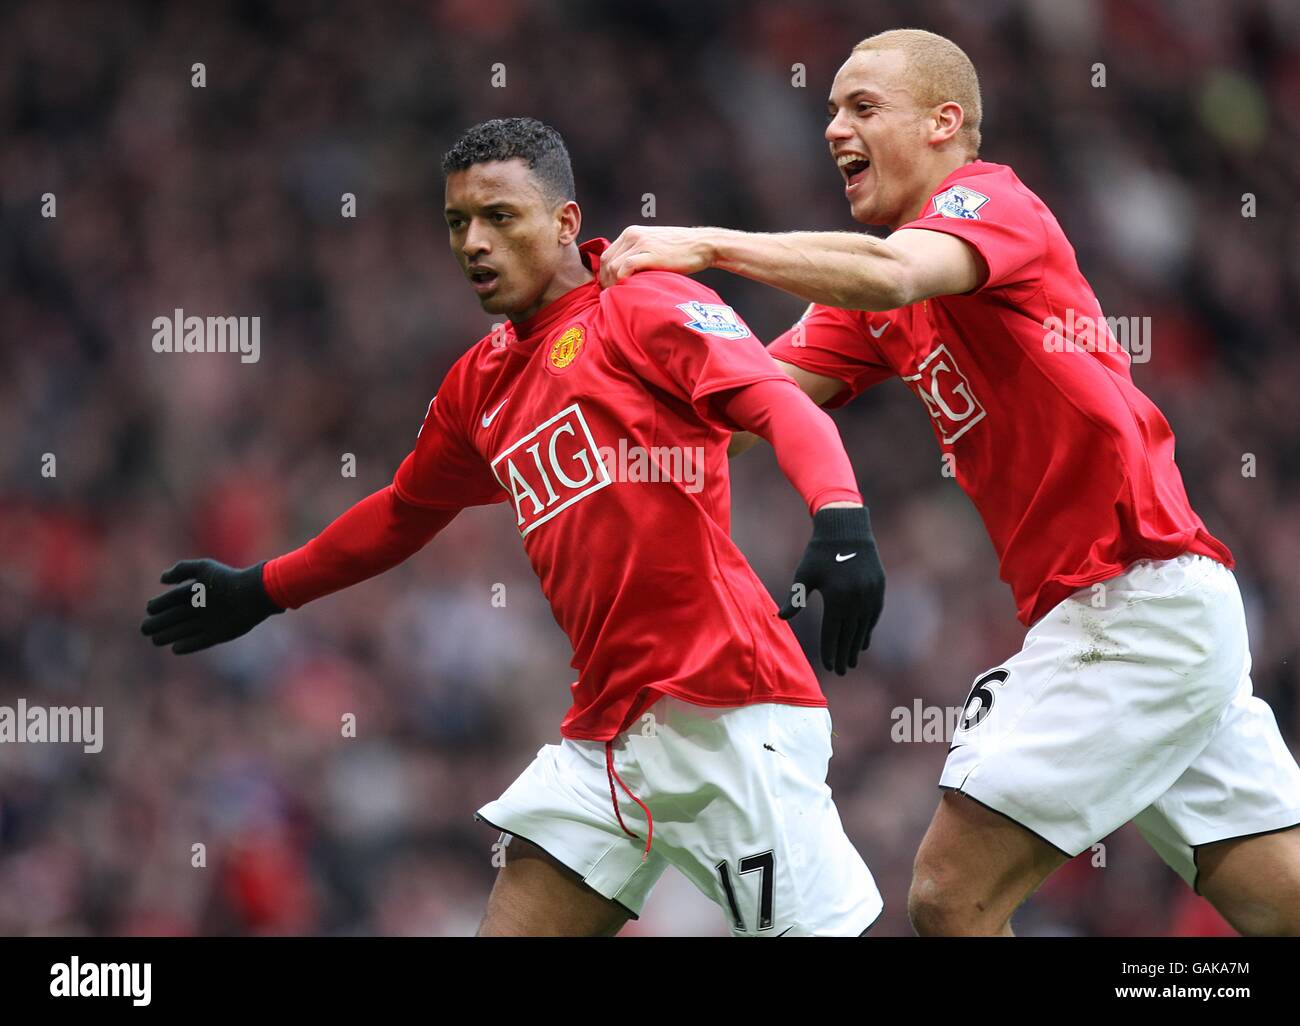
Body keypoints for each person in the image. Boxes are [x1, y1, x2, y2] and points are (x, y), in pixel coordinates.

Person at [599, 30, 1300, 936]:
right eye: (828, 110)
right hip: (1142, 616)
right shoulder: (872, 300)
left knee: (946, 893)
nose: (832, 129)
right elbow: (736, 416)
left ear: (944, 123)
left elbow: (893, 273)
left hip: (1136, 606)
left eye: (861, 108)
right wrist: (577, 414)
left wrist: (709, 245)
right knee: (1279, 904)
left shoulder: (993, 203)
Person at [141, 117, 886, 937]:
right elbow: (401, 512)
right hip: (607, 737)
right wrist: (263, 589)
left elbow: (777, 403)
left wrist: (840, 517)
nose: (473, 242)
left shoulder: (643, 305)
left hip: (726, 713)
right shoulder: (480, 384)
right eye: (459, 222)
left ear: (566, 223)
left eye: (500, 216)